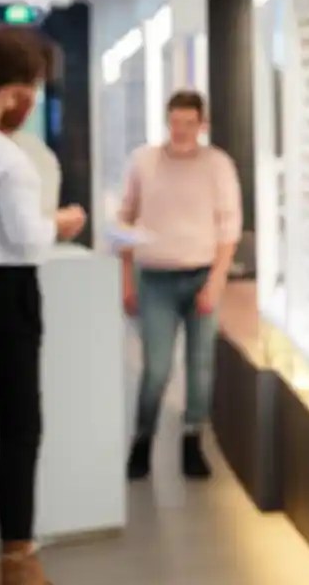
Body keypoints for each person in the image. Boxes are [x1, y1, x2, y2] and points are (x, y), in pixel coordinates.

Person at [0, 24, 86, 585]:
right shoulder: (9, 158)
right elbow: (26, 238)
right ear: (11, 93)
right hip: (5, 295)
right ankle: (17, 556)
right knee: (20, 426)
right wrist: (62, 223)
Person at [119, 90, 242, 481]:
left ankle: (192, 440)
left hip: (202, 275)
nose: (182, 130)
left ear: (202, 125)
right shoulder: (144, 161)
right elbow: (124, 219)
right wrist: (126, 279)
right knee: (156, 368)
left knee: (200, 366)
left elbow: (229, 227)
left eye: (190, 123)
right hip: (155, 278)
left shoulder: (218, 165)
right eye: (175, 122)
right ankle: (142, 439)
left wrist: (216, 281)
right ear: (167, 121)